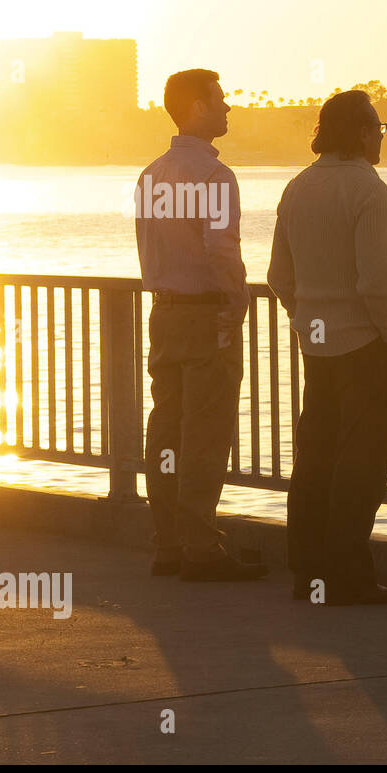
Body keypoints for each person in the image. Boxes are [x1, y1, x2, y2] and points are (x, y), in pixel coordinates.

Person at [268, 90, 387, 605]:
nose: (380, 137)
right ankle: (349, 574)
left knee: (316, 456)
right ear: (362, 132)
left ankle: (310, 573)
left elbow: (278, 275)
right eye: (378, 128)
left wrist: (306, 318)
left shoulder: (298, 187)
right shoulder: (369, 191)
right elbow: (375, 278)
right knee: (362, 462)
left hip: (317, 343)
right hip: (367, 342)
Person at [136, 69, 266, 581]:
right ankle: (201, 548)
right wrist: (235, 302)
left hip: (163, 312)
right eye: (219, 101)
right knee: (207, 433)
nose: (228, 108)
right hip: (205, 312)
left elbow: (151, 247)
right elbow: (221, 248)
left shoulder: (151, 175)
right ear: (196, 108)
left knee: (166, 428)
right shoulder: (215, 176)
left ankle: (167, 542)